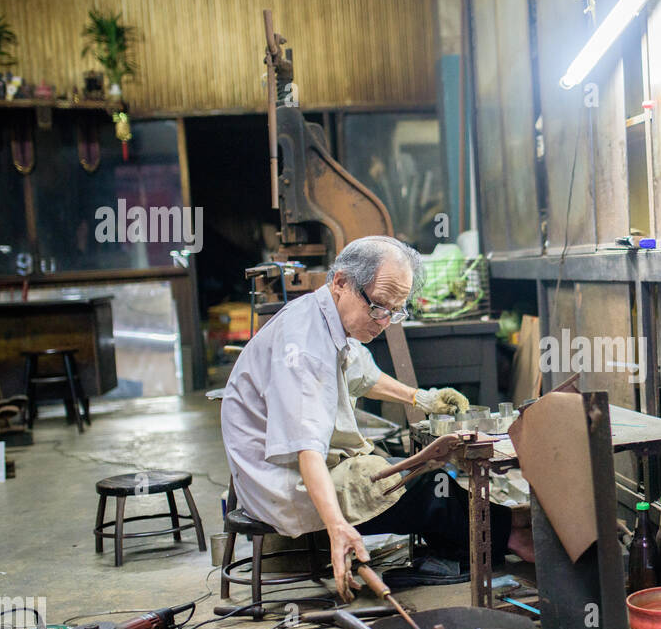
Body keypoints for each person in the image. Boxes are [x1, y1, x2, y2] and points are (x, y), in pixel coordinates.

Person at [220, 236, 533, 603]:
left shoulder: (325, 315)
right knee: (427, 489)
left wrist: (422, 398)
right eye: (379, 308)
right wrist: (337, 529)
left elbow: (362, 374)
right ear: (340, 283)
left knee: (416, 478)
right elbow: (305, 449)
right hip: (285, 483)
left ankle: (506, 524)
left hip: (305, 466)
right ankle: (513, 532)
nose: (384, 322)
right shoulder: (304, 347)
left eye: (395, 312)